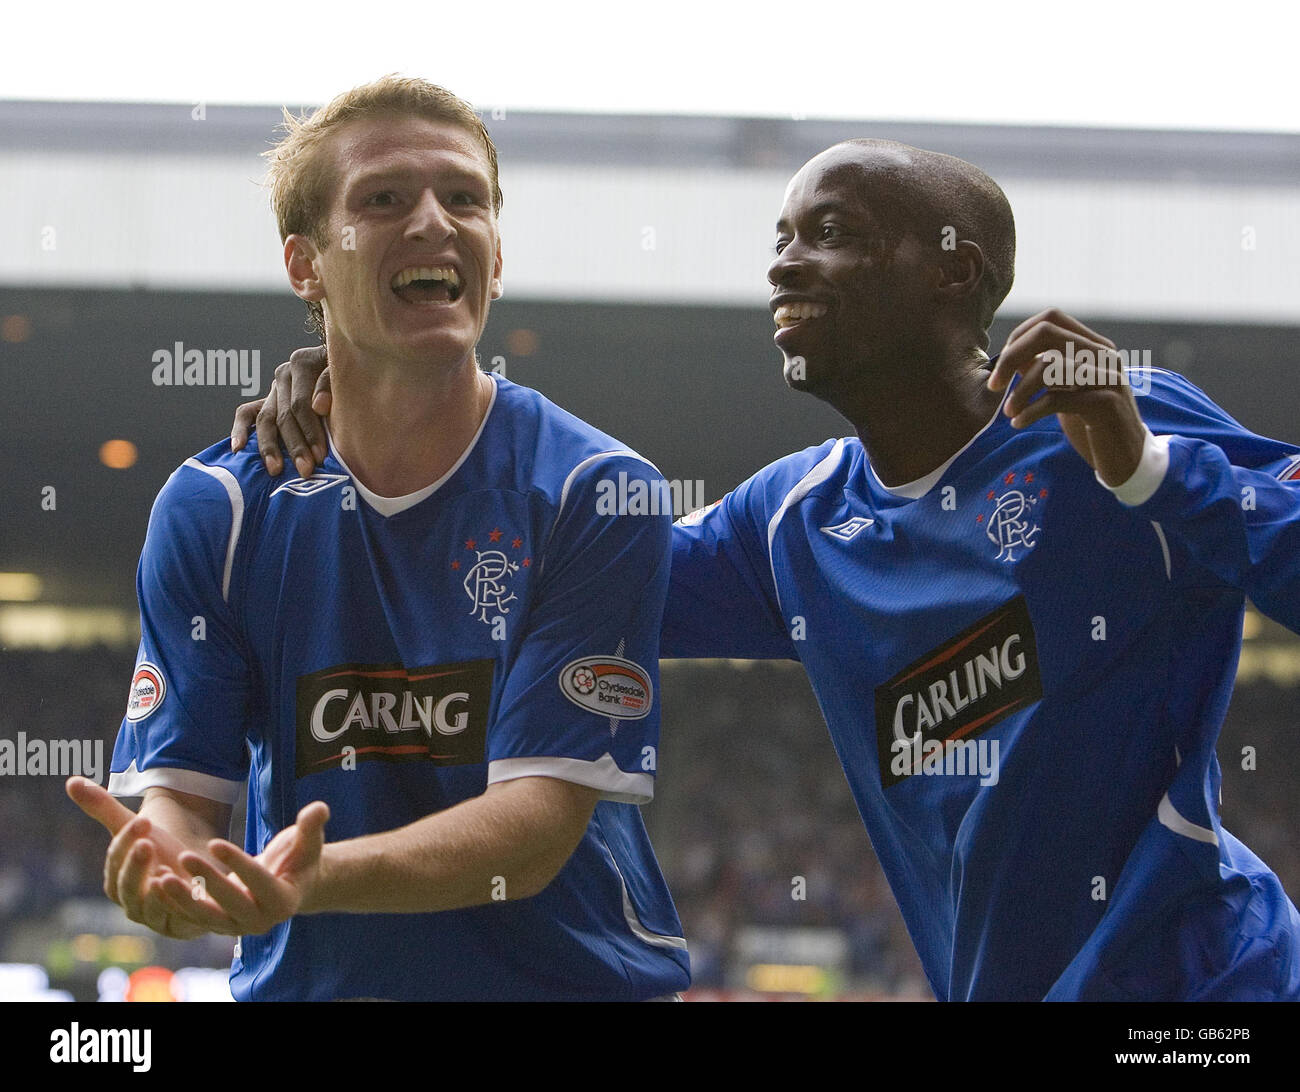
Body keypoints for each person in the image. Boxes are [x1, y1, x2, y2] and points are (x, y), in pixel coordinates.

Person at [236, 138, 1300, 1001]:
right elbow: (566, 575)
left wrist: (1145, 469)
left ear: (953, 269)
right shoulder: (794, 520)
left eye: (831, 235)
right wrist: (377, 388)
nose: (784, 266)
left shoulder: (1102, 417)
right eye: (781, 239)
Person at [67, 75, 690, 1002]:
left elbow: (530, 832)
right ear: (305, 265)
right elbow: (185, 798)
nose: (435, 221)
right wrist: (171, 865)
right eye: (385, 199)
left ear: (495, 256)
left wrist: (308, 879)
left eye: (464, 198)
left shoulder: (596, 491)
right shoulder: (216, 510)